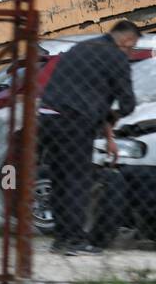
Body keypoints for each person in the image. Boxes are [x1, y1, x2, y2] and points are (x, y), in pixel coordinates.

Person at [38, 19, 139, 255]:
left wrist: (108, 135)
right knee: (77, 180)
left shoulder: (82, 48)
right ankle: (74, 240)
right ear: (126, 41)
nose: (131, 52)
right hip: (74, 121)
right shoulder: (116, 57)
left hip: (48, 116)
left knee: (59, 179)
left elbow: (93, 97)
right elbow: (127, 102)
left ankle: (61, 239)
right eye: (132, 48)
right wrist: (117, 115)